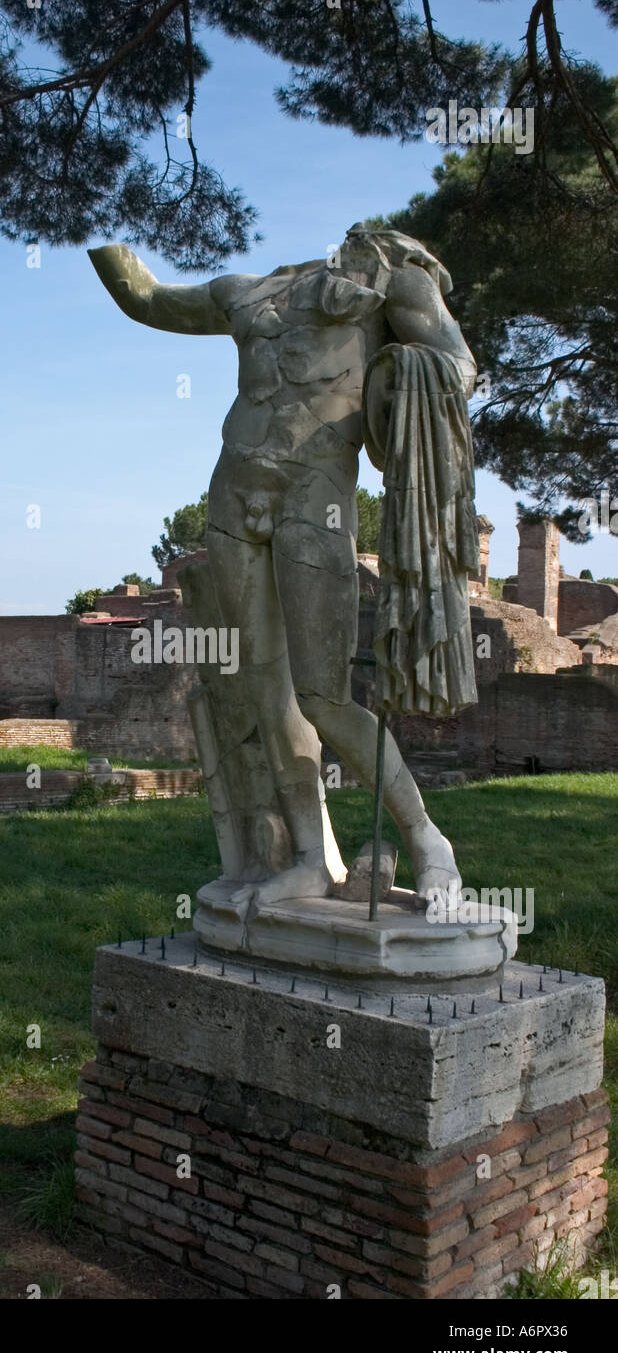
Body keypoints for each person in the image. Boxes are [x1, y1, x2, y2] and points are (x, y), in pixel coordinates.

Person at [89, 225, 477, 906]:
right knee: (267, 689)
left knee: (323, 697)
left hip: (316, 498)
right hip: (233, 495)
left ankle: (426, 840)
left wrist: (402, 376)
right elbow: (145, 296)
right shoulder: (247, 292)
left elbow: (458, 365)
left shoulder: (393, 279)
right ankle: (306, 857)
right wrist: (85, 210)